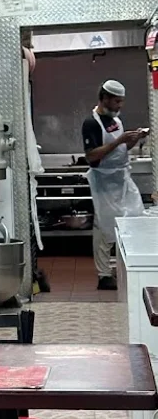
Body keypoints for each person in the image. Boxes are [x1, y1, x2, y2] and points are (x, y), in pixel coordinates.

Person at [81, 79, 147, 291]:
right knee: (104, 228)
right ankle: (104, 275)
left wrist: (134, 139)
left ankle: (128, 267)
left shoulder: (115, 121)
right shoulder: (91, 123)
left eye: (121, 102)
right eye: (117, 101)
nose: (120, 106)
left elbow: (121, 150)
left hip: (122, 180)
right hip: (104, 183)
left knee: (134, 220)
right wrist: (119, 142)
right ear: (105, 98)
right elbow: (92, 156)